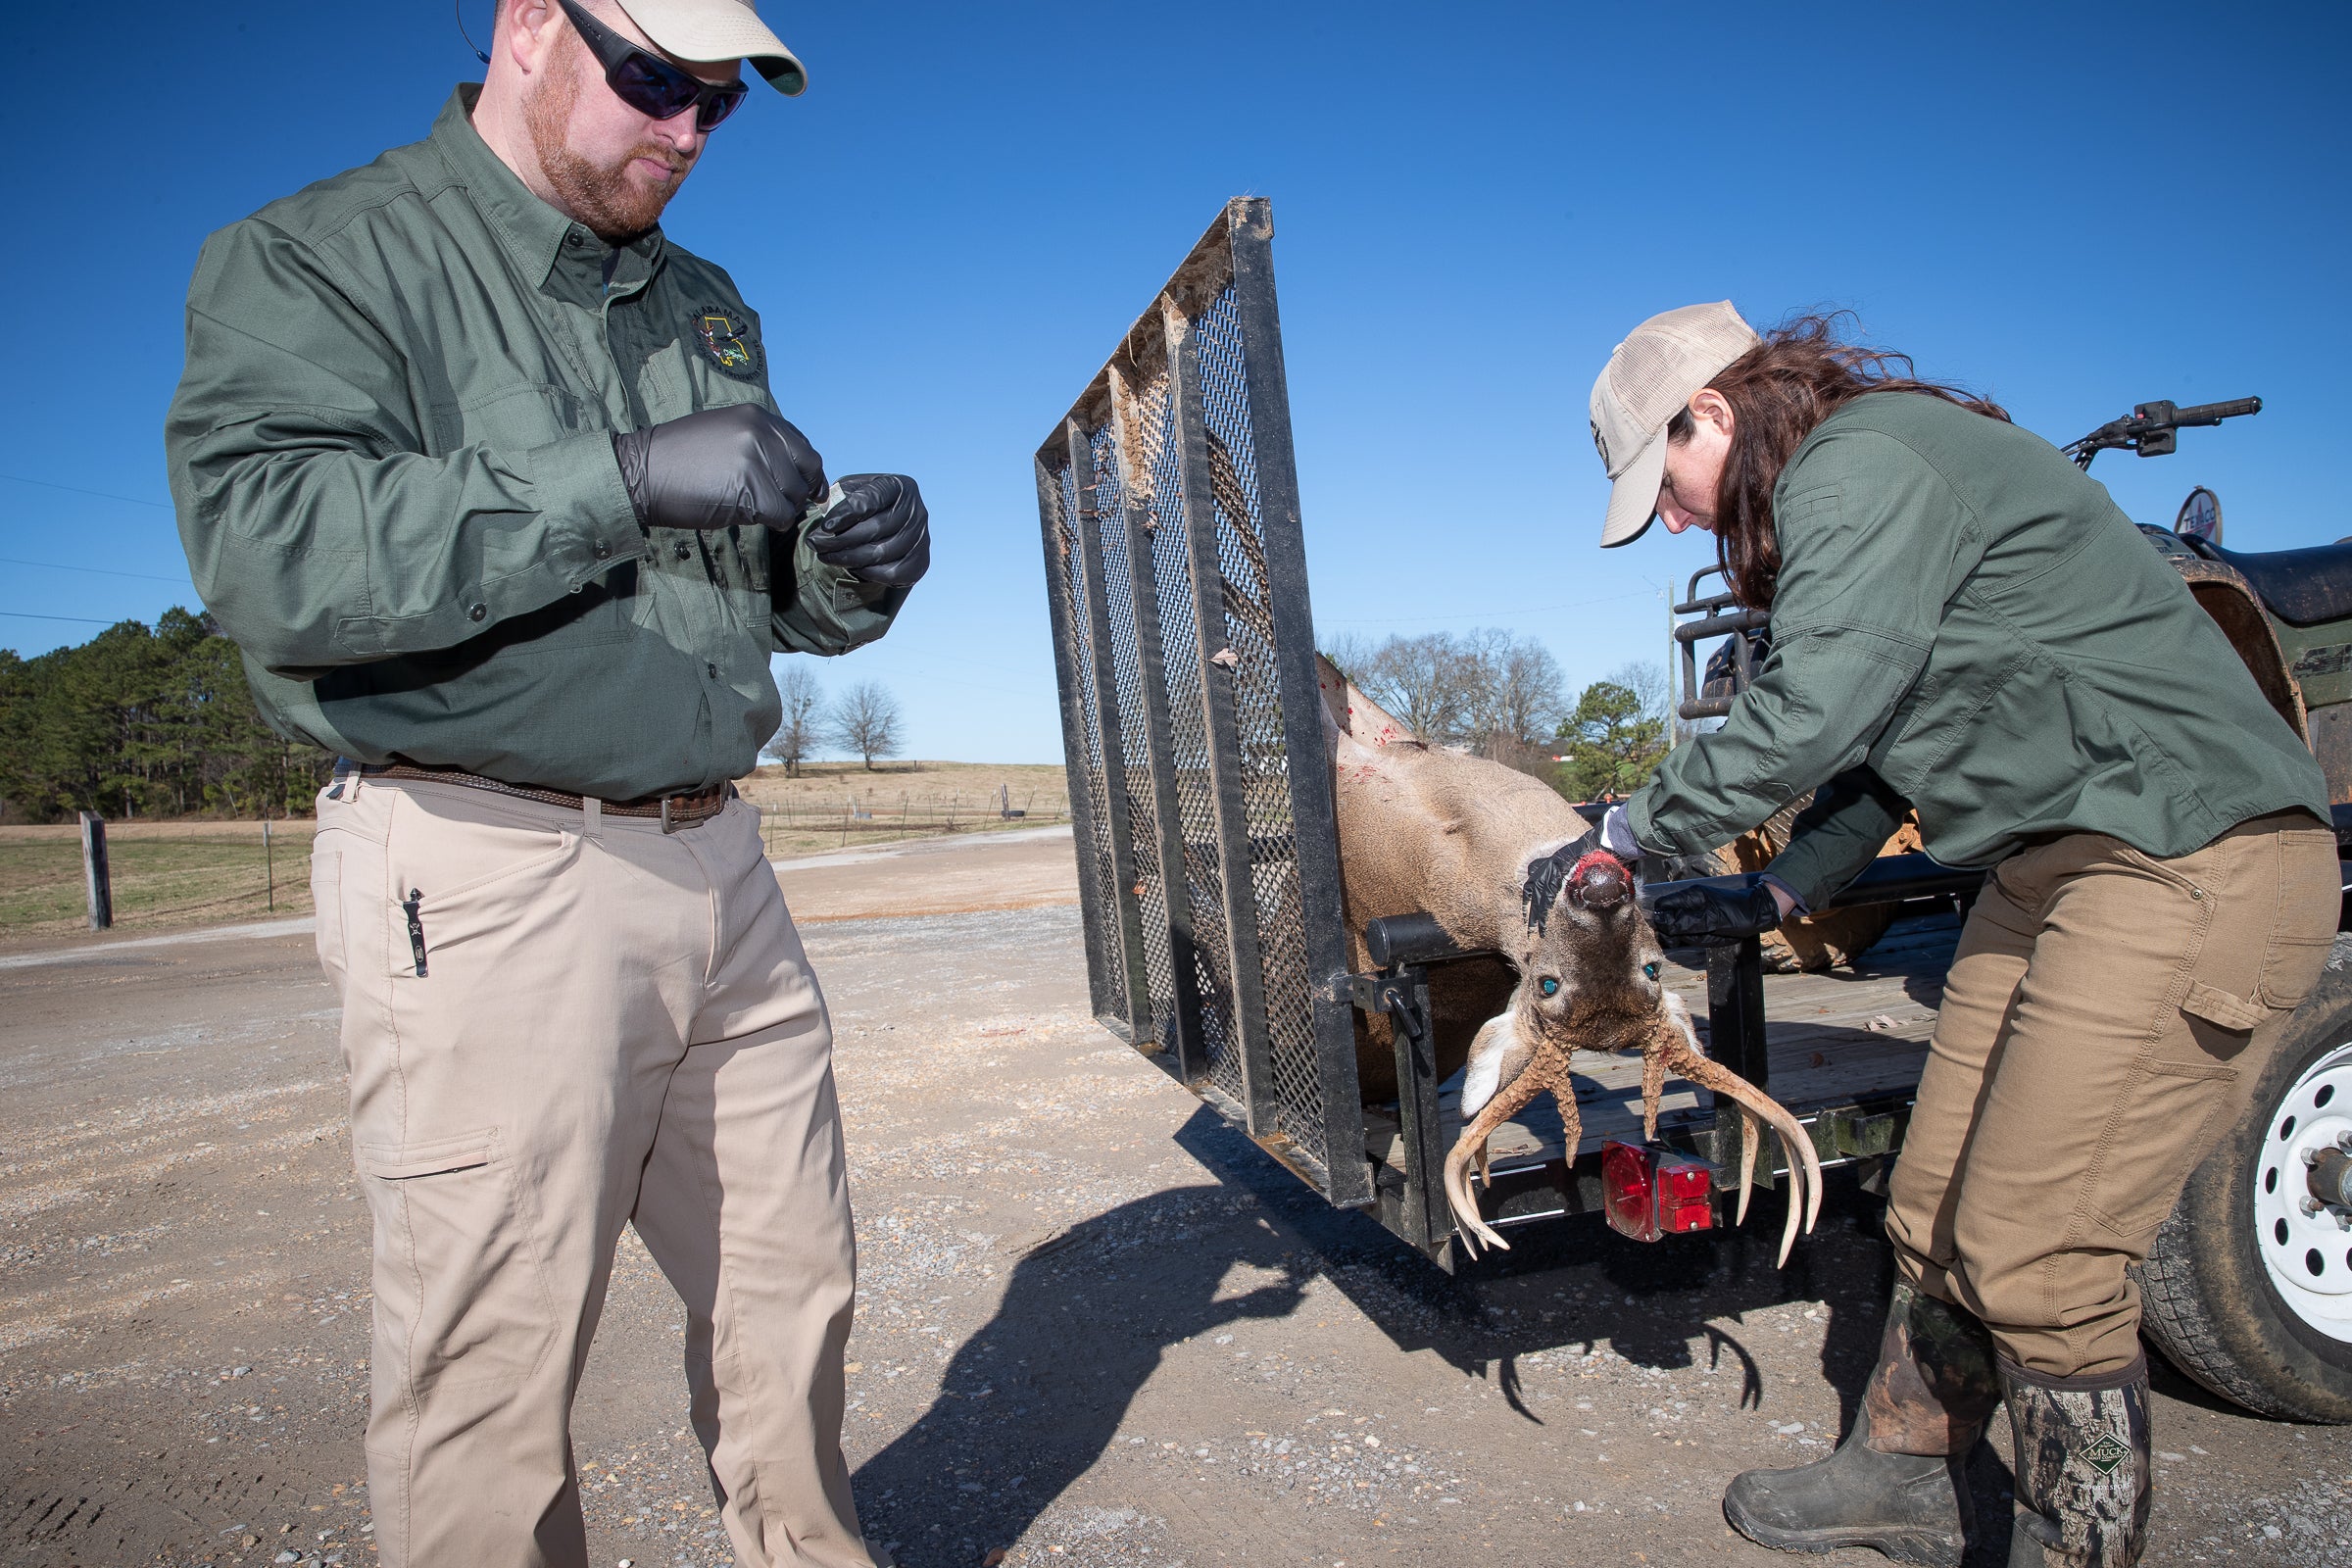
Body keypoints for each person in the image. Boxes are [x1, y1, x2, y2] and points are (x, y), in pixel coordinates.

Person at [164, 4, 926, 1565]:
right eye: (657, 82)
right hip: (489, 864)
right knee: (490, 1378)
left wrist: (845, 578)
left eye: (719, 103)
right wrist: (624, 479)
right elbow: (279, 559)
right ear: (527, 25)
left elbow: (739, 589)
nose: (688, 134)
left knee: (790, 1304)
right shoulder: (321, 256)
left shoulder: (701, 301)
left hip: (724, 866)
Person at [1581, 305, 2334, 1568]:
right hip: (2049, 868)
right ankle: (1906, 1476)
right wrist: (1774, 894)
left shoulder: (1862, 464)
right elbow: (1880, 753)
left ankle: (2071, 1545)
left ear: (1710, 414)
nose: (1673, 518)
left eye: (1665, 485)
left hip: (2185, 854)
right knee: (1932, 1210)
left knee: (2041, 1257)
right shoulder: (1857, 488)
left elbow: (1819, 706)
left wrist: (1625, 833)